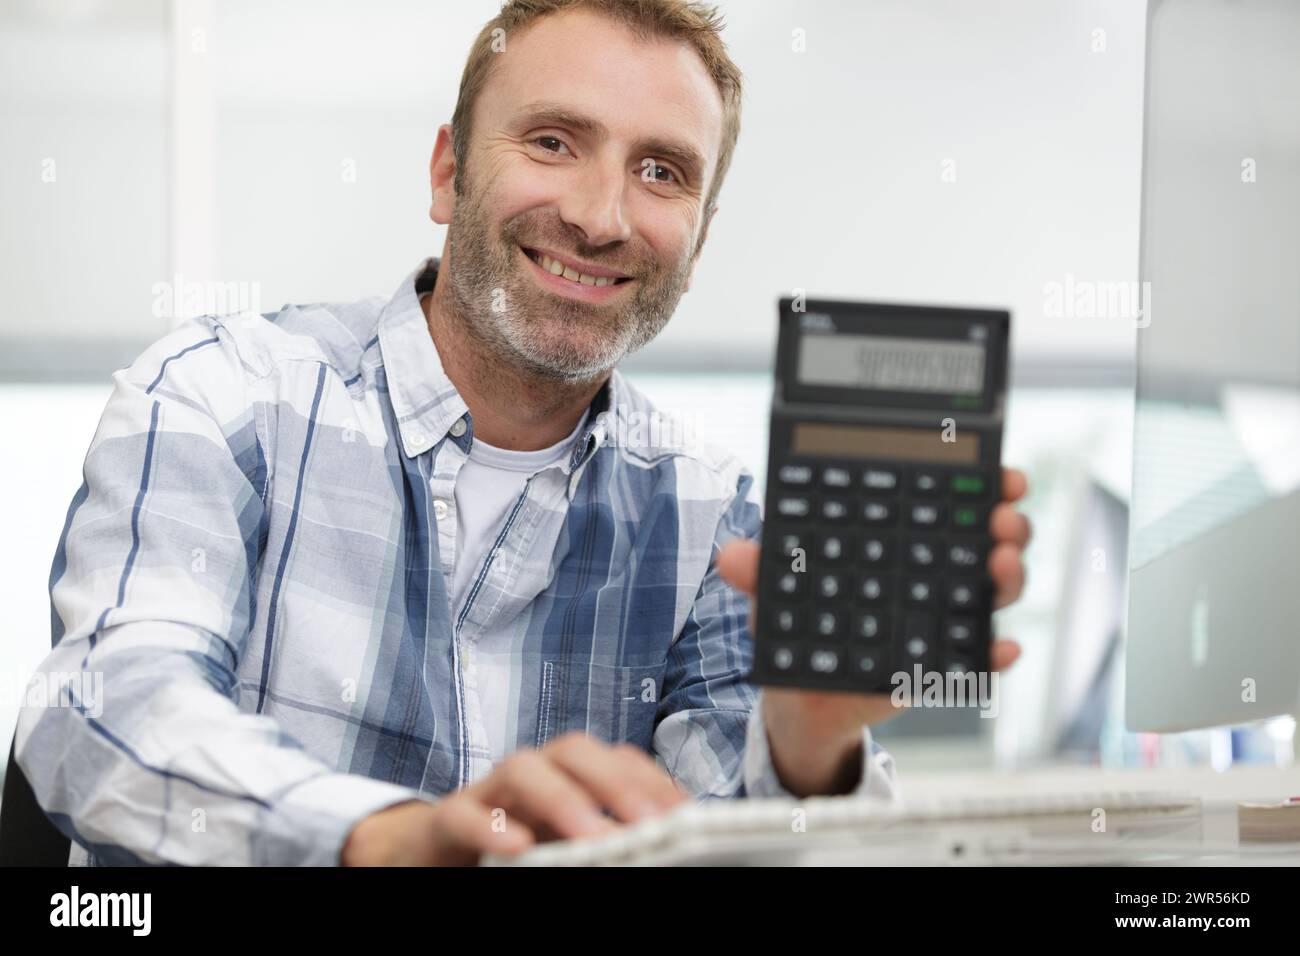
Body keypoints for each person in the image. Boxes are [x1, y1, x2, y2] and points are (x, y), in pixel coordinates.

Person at [16, 0, 1030, 866]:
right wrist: (387, 837)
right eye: (552, 142)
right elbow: (101, 711)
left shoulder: (711, 514)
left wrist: (808, 748)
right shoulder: (224, 398)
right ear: (448, 173)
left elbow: (736, 838)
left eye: (663, 172)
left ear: (701, 237)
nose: (601, 216)